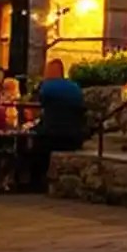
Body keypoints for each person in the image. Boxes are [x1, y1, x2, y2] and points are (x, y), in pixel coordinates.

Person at [28, 59, 87, 193]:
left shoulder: (47, 88)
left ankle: (34, 183)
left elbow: (36, 107)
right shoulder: (75, 87)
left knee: (34, 147)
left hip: (53, 136)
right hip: (75, 137)